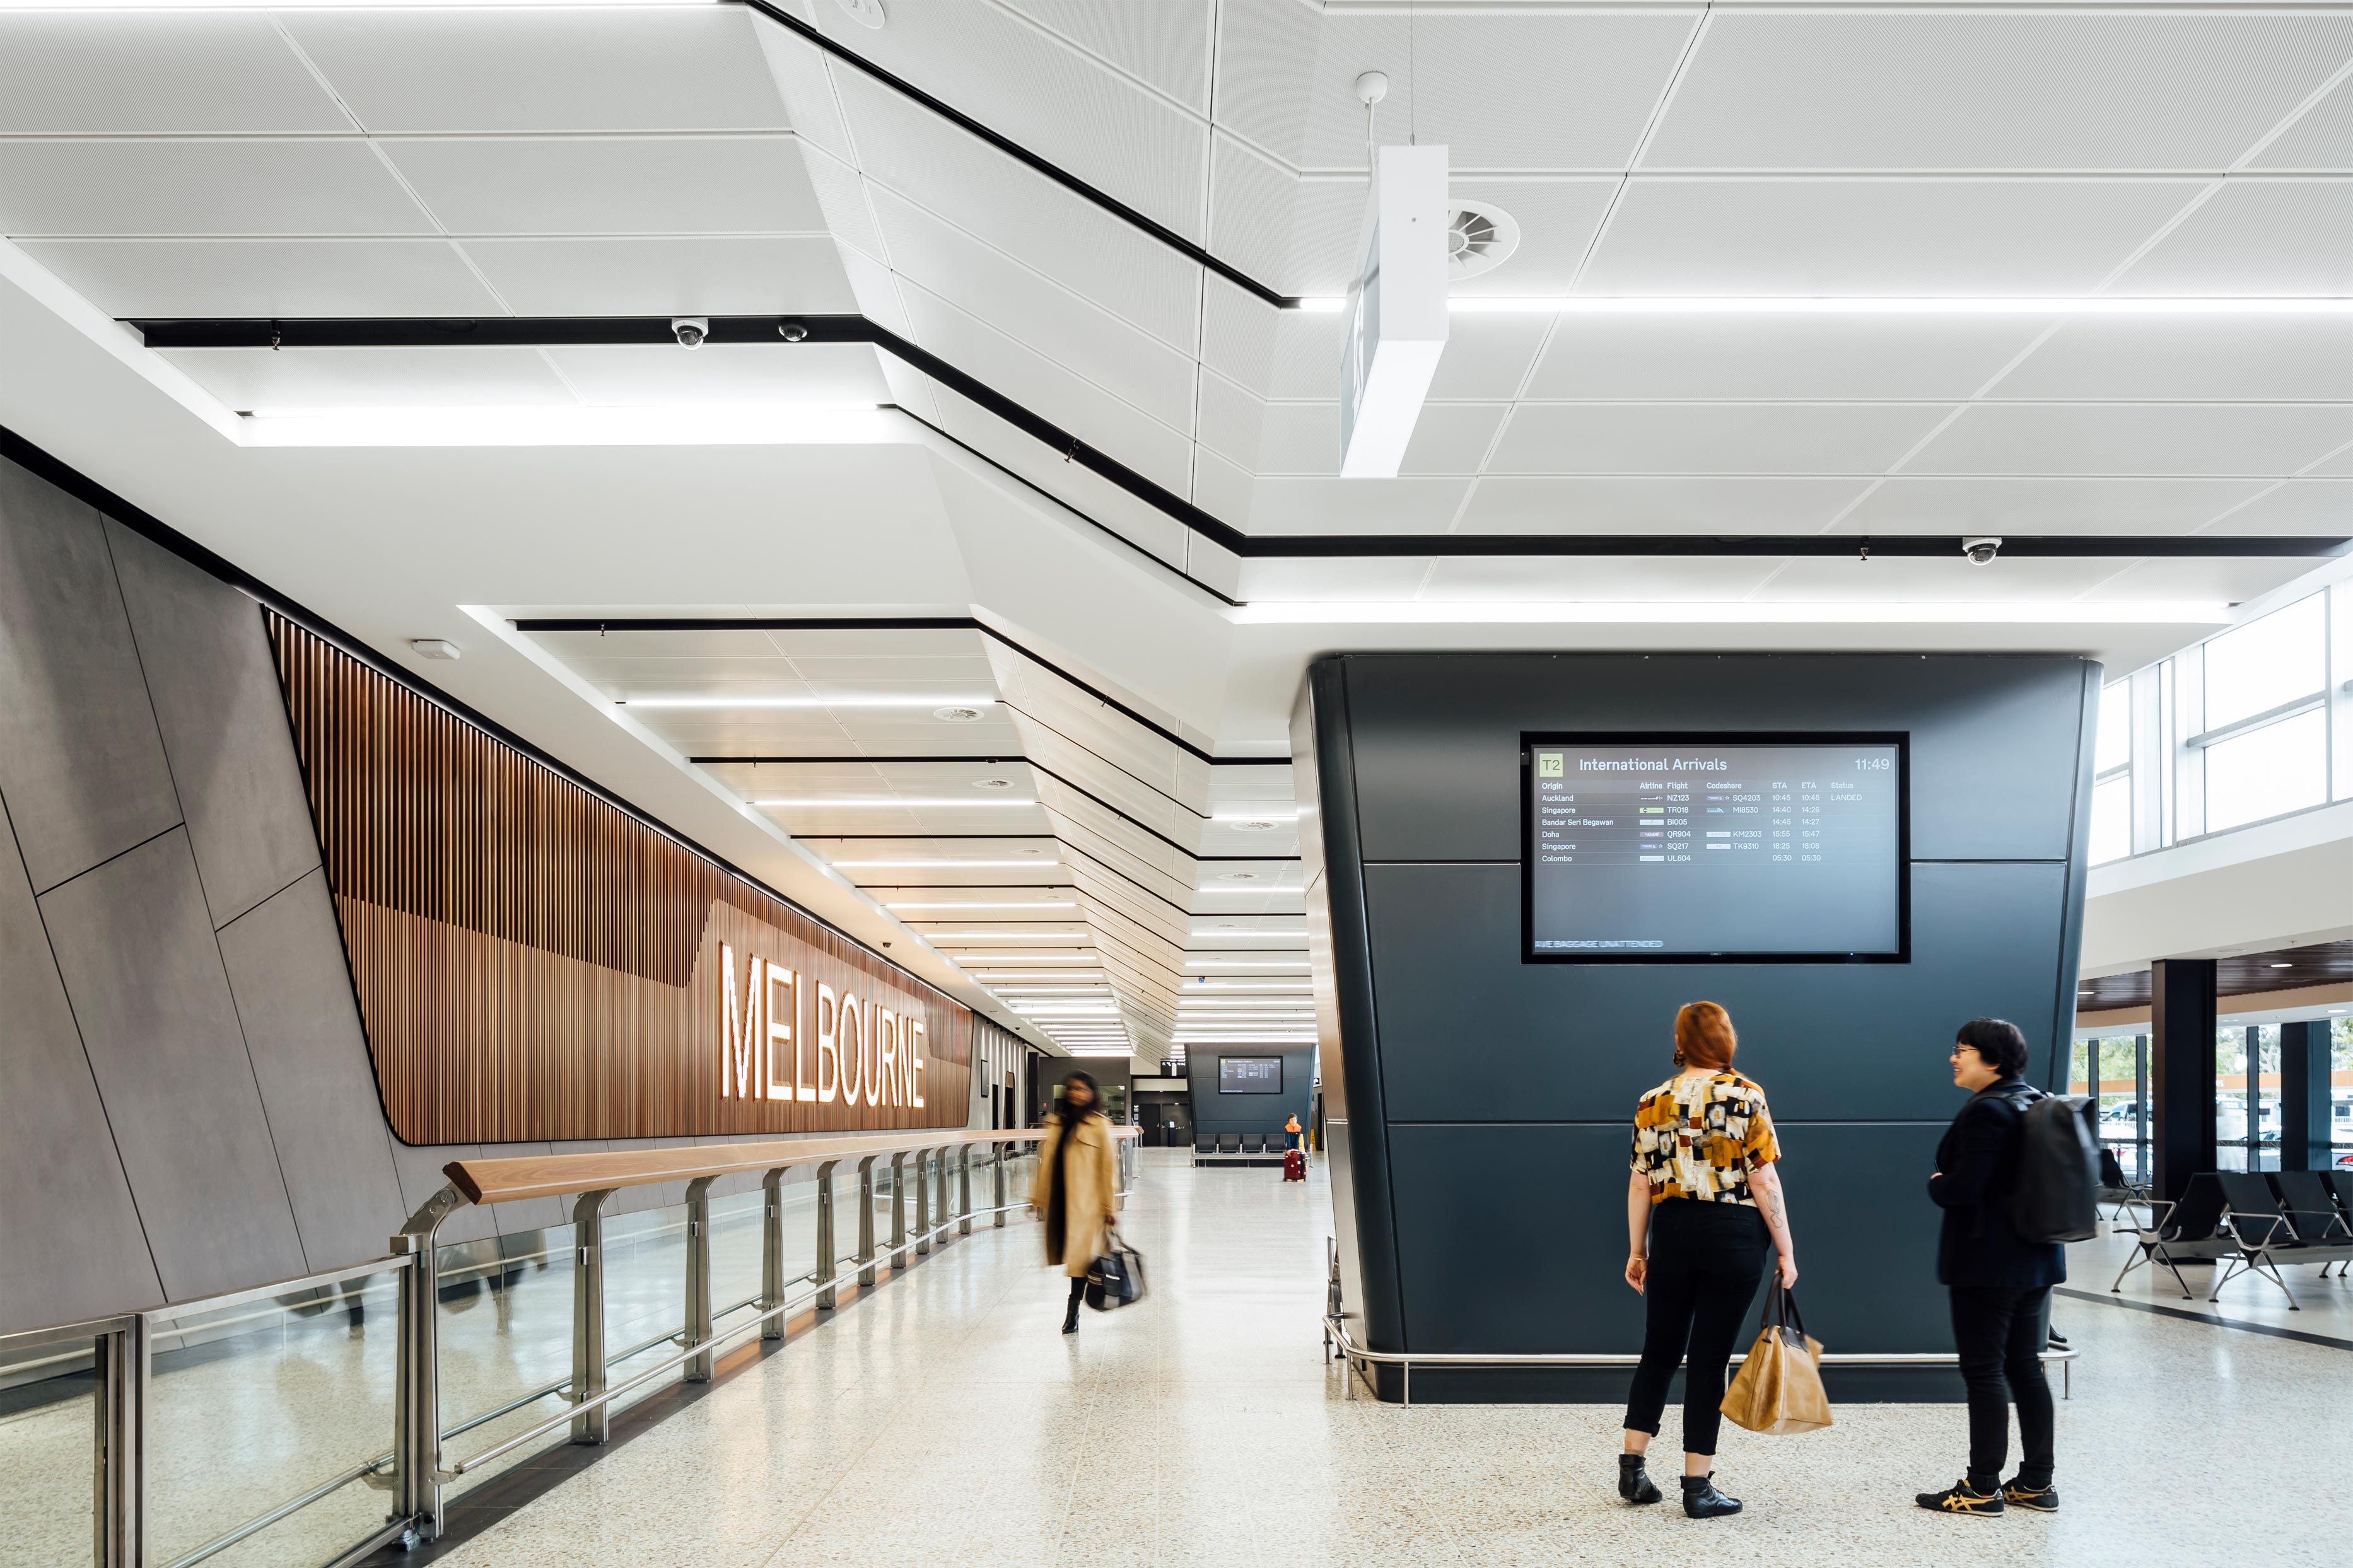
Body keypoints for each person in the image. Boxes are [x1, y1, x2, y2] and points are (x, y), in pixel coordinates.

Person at [1620, 1002, 1798, 1520]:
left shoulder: (1652, 1100)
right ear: (1725, 1038)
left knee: (1658, 1349)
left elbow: (1639, 1182)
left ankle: (1632, 1468)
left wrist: (1637, 1249)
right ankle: (1697, 1488)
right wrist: (1785, 1250)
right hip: (1733, 1233)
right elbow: (1763, 1178)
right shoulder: (1745, 1094)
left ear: (1678, 1039)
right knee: (1708, 1360)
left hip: (1671, 1229)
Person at [1917, 1018, 2065, 1517]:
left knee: (1983, 1371)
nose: (1953, 1058)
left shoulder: (1988, 1112)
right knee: (2025, 1368)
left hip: (1987, 1263)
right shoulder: (2034, 1100)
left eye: (1962, 1050)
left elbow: (1963, 1189)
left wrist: (1937, 1181)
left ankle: (1981, 1486)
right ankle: (2036, 1483)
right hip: (2038, 1259)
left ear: (1992, 1060)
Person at [1031, 1070, 1119, 1335]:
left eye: (1083, 1089)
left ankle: (1073, 1312)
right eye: (1073, 1089)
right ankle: (1075, 1311)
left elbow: (1107, 1169)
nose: (1077, 1093)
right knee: (1073, 1257)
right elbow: (1047, 1165)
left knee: (1080, 1261)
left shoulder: (1100, 1125)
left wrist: (1109, 1207)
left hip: (1087, 1205)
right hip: (1061, 1201)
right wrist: (1039, 1199)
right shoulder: (1057, 1123)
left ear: (1092, 1093)